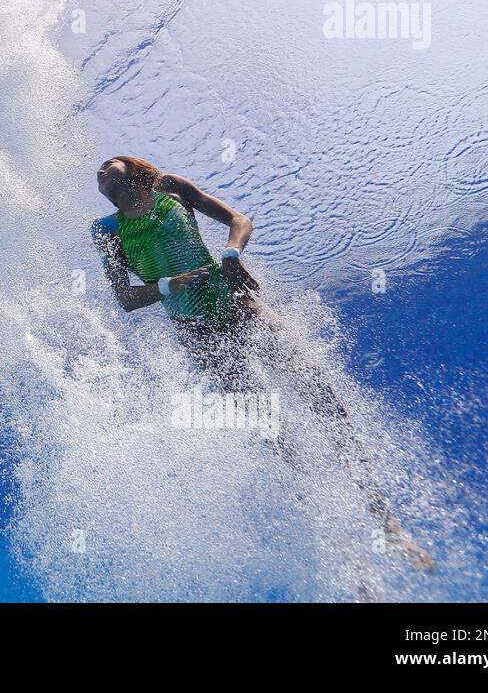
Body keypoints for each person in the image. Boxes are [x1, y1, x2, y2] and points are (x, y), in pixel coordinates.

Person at [92, 155, 435, 574]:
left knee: (325, 400)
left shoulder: (170, 188)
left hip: (240, 305)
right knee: (280, 442)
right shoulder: (106, 230)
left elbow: (239, 219)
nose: (100, 169)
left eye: (110, 162)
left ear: (133, 169)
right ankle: (353, 564)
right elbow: (125, 299)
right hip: (201, 335)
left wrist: (232, 255)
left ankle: (388, 525)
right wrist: (168, 285)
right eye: (97, 172)